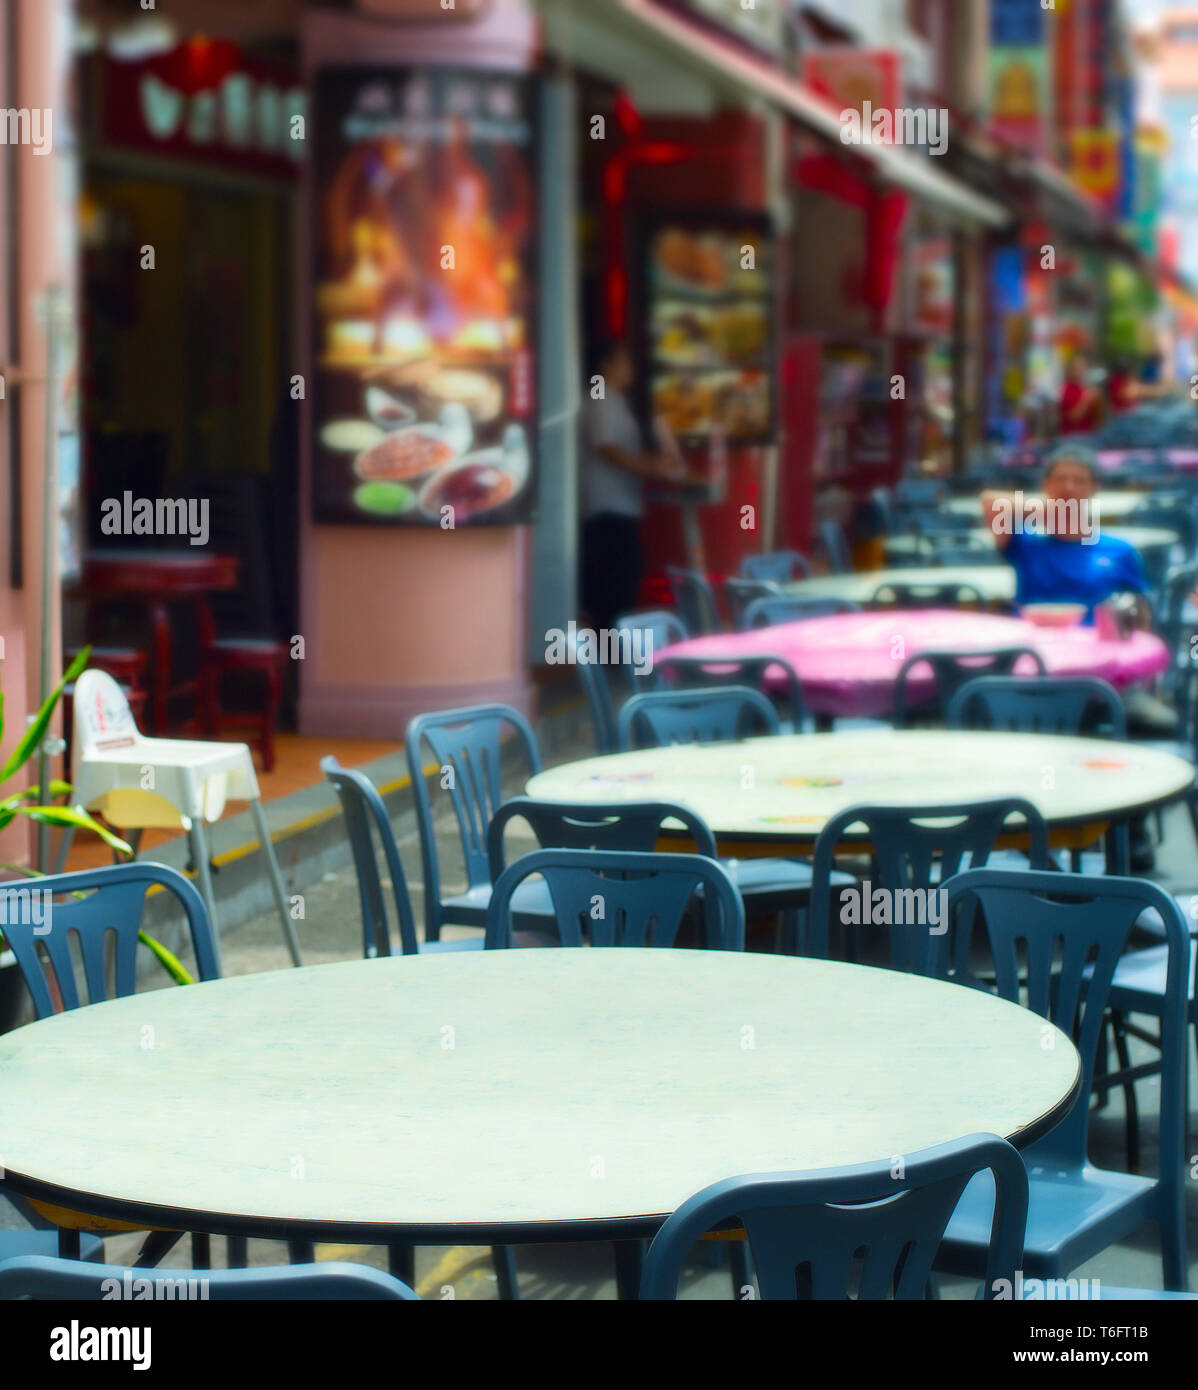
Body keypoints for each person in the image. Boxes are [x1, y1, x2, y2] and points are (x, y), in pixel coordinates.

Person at [982, 443, 1171, 870]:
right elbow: (990, 503)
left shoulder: (1119, 551)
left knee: (1135, 725)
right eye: (1059, 480)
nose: (1069, 488)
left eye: (1079, 481)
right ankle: (1029, 837)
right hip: (1034, 677)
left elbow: (1140, 620)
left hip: (1104, 681)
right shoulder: (1025, 543)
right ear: (1045, 487)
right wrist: (1050, 512)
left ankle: (1130, 831)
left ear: (1095, 490)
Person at [577, 338, 687, 631]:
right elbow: (608, 449)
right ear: (606, 366)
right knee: (613, 591)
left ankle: (617, 662)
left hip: (622, 509)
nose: (631, 368)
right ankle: (611, 666)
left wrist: (658, 462)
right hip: (607, 512)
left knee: (623, 586)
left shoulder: (618, 403)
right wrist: (651, 466)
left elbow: (626, 450)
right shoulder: (599, 397)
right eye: (624, 361)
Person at [1058, 353, 1101, 435]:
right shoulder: (1066, 389)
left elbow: (1098, 420)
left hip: (1088, 435)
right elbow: (1072, 417)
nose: (1080, 371)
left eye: (1083, 367)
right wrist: (1086, 399)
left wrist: (1097, 402)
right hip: (1072, 436)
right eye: (1077, 368)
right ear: (1070, 370)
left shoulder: (1085, 389)